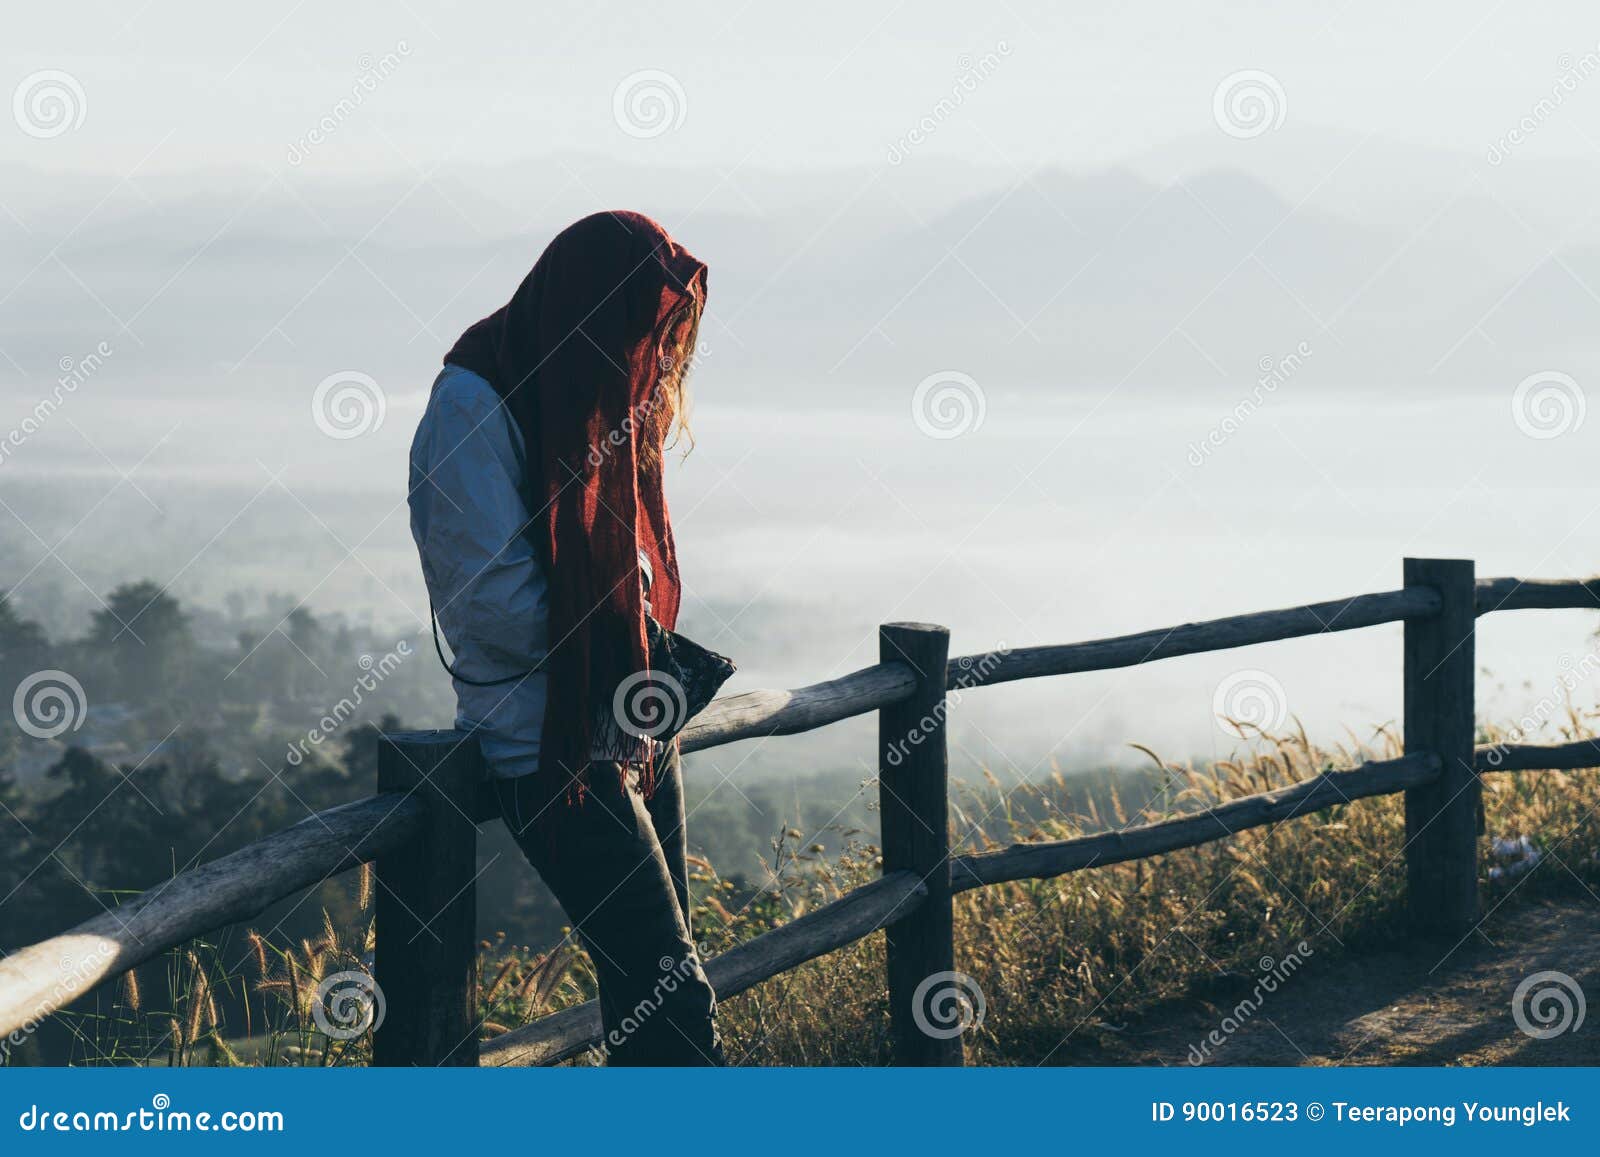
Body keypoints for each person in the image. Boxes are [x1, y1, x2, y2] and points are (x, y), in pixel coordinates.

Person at [407, 210, 722, 1065]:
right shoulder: (473, 407)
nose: (652, 355)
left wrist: (627, 619)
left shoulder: (572, 385)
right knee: (672, 991)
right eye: (639, 327)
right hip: (544, 744)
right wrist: (619, 621)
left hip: (624, 722)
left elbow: (621, 552)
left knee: (650, 984)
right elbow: (492, 608)